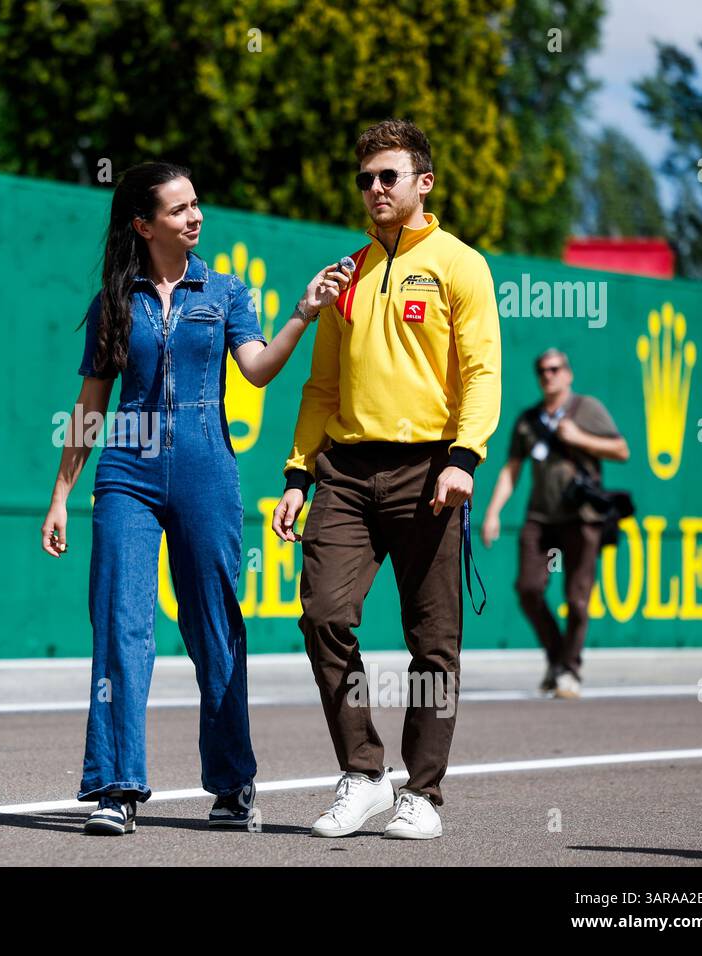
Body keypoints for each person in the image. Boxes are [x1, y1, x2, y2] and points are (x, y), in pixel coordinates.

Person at [41, 161, 352, 835]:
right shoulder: (113, 302)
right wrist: (62, 493)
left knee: (213, 628)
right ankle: (115, 787)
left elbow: (259, 369)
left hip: (208, 469)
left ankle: (232, 782)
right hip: (127, 469)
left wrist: (303, 313)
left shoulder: (227, 292)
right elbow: (92, 404)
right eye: (179, 209)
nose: (195, 216)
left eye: (196, 205)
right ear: (144, 224)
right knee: (121, 624)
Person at [271, 119, 502, 841]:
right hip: (344, 470)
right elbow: (321, 388)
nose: (374, 189)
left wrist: (465, 457)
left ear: (422, 182)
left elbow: (483, 371)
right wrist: (298, 474)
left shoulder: (462, 265)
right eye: (365, 178)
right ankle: (364, 775)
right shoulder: (346, 274)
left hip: (431, 469)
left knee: (432, 643)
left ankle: (423, 793)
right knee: (322, 613)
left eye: (388, 176)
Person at [481, 348, 629, 700]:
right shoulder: (528, 420)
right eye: (542, 370)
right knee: (528, 589)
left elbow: (621, 450)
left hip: (582, 518)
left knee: (577, 601)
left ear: (568, 374)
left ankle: (569, 671)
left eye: (555, 369)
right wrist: (492, 512)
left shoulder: (587, 409)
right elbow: (512, 469)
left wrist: (579, 438)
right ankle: (557, 656)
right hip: (540, 517)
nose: (548, 375)